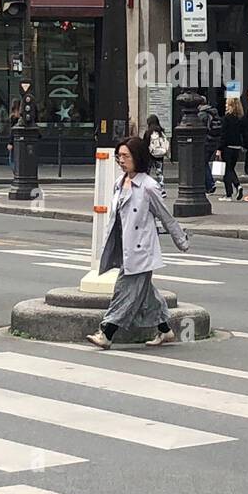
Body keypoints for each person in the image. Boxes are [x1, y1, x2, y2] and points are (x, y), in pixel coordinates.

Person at [85, 136, 190, 349]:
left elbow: (165, 215)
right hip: (124, 246)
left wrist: (180, 240)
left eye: (126, 156)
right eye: (119, 156)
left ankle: (107, 332)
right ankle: (165, 330)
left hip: (141, 249)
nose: (121, 160)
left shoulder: (148, 186)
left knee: (124, 290)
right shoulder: (118, 183)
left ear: (137, 157)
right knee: (146, 294)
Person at [219, 97, 246, 201]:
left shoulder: (227, 118)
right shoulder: (240, 118)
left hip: (228, 147)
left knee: (227, 170)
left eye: (227, 104)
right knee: (230, 169)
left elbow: (224, 135)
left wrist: (219, 148)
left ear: (231, 106)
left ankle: (229, 194)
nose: (225, 105)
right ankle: (235, 188)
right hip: (237, 147)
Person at [198, 100, 223, 195]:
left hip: (206, 141)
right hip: (214, 141)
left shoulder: (202, 114)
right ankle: (208, 183)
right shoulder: (213, 112)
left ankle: (209, 184)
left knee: (202, 162)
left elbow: (199, 129)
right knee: (204, 162)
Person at [143, 115, 170, 194]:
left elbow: (145, 144)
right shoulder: (161, 132)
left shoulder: (148, 132)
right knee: (159, 173)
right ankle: (162, 190)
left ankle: (144, 188)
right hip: (159, 155)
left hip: (150, 155)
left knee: (146, 172)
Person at [7, 99, 21, 175]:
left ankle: (16, 172)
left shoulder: (14, 117)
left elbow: (12, 131)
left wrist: (10, 142)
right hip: (19, 140)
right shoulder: (21, 117)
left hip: (14, 140)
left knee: (12, 159)